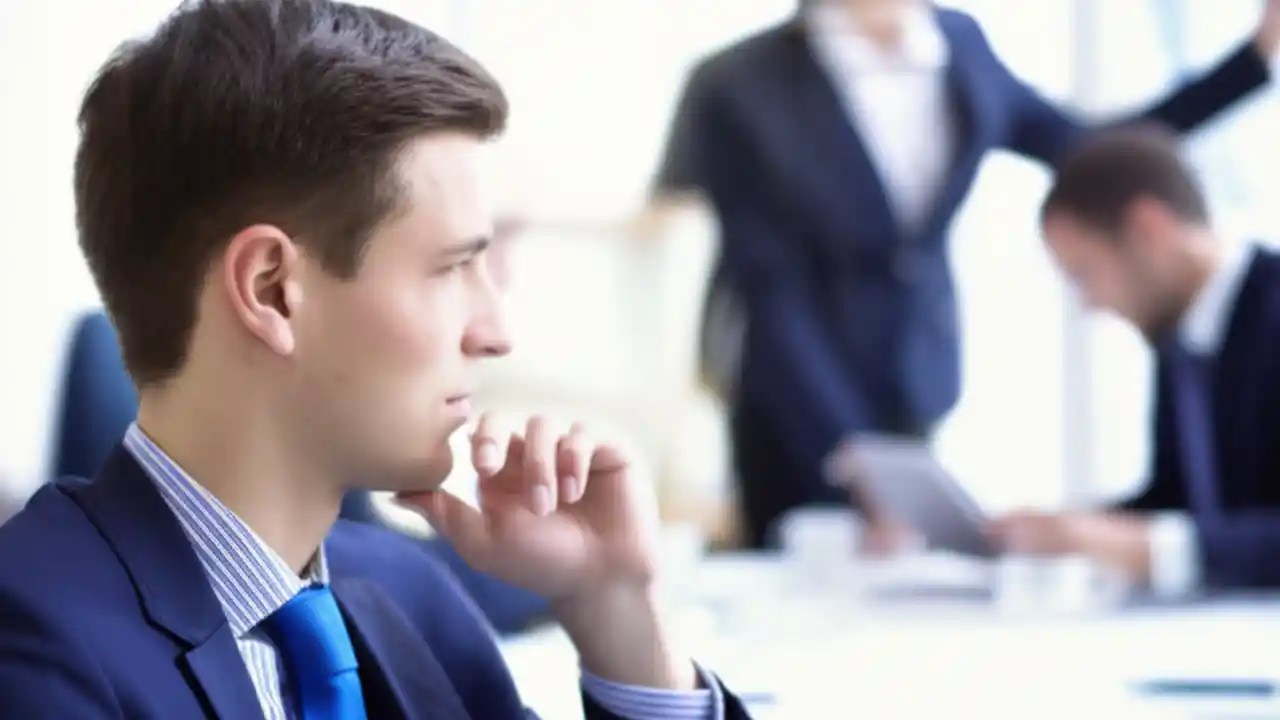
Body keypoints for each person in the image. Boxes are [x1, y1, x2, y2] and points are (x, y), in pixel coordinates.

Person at [0, 2, 751, 718]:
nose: (495, 332)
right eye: (452, 268)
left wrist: (617, 612)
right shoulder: (33, 645)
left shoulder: (406, 595)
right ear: (272, 291)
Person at [653, 0, 1280, 548]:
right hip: (792, 400)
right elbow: (768, 293)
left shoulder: (958, 44)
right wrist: (849, 459)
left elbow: (1101, 153)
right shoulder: (737, 82)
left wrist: (1252, 61)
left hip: (913, 380)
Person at [989, 126, 1280, 593]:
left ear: (1148, 227)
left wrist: (1139, 548)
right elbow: (1181, 498)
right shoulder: (1182, 331)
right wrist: (1072, 530)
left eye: (1084, 273)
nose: (1090, 304)